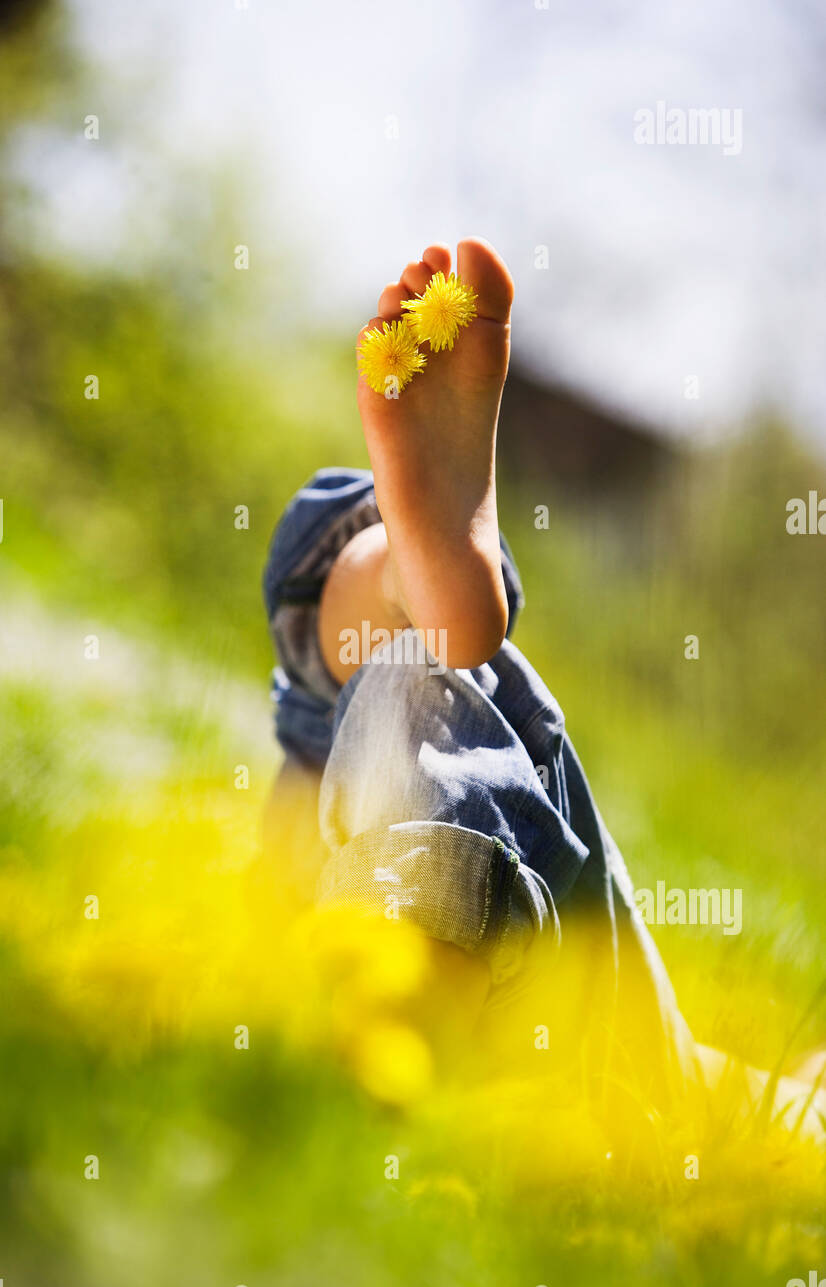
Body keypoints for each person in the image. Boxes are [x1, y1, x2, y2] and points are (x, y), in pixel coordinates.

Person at [262, 238, 825, 1145]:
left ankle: (379, 574)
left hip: (418, 975)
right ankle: (390, 571)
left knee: (402, 687)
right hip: (569, 1037)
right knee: (410, 686)